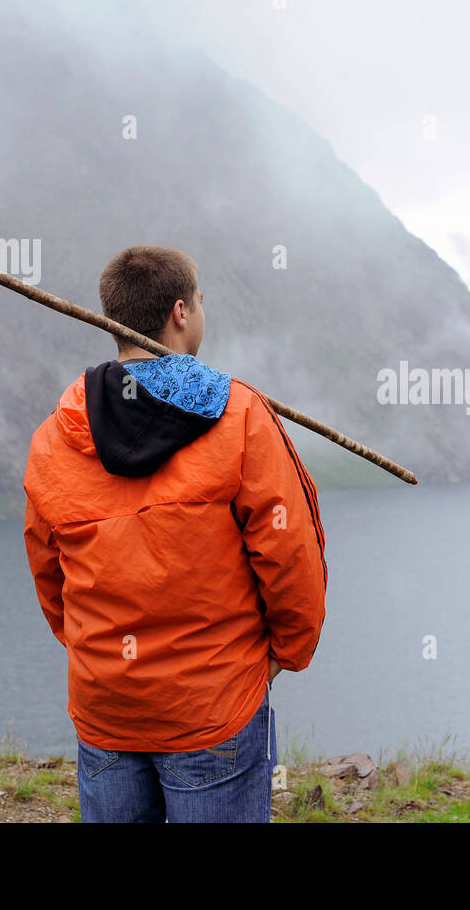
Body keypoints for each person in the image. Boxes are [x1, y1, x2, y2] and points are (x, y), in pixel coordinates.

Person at [21, 245, 327, 822]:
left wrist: (97, 655)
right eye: (203, 304)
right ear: (181, 312)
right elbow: (289, 552)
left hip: (107, 705)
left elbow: (48, 570)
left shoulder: (54, 438)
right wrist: (286, 652)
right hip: (213, 705)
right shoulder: (241, 417)